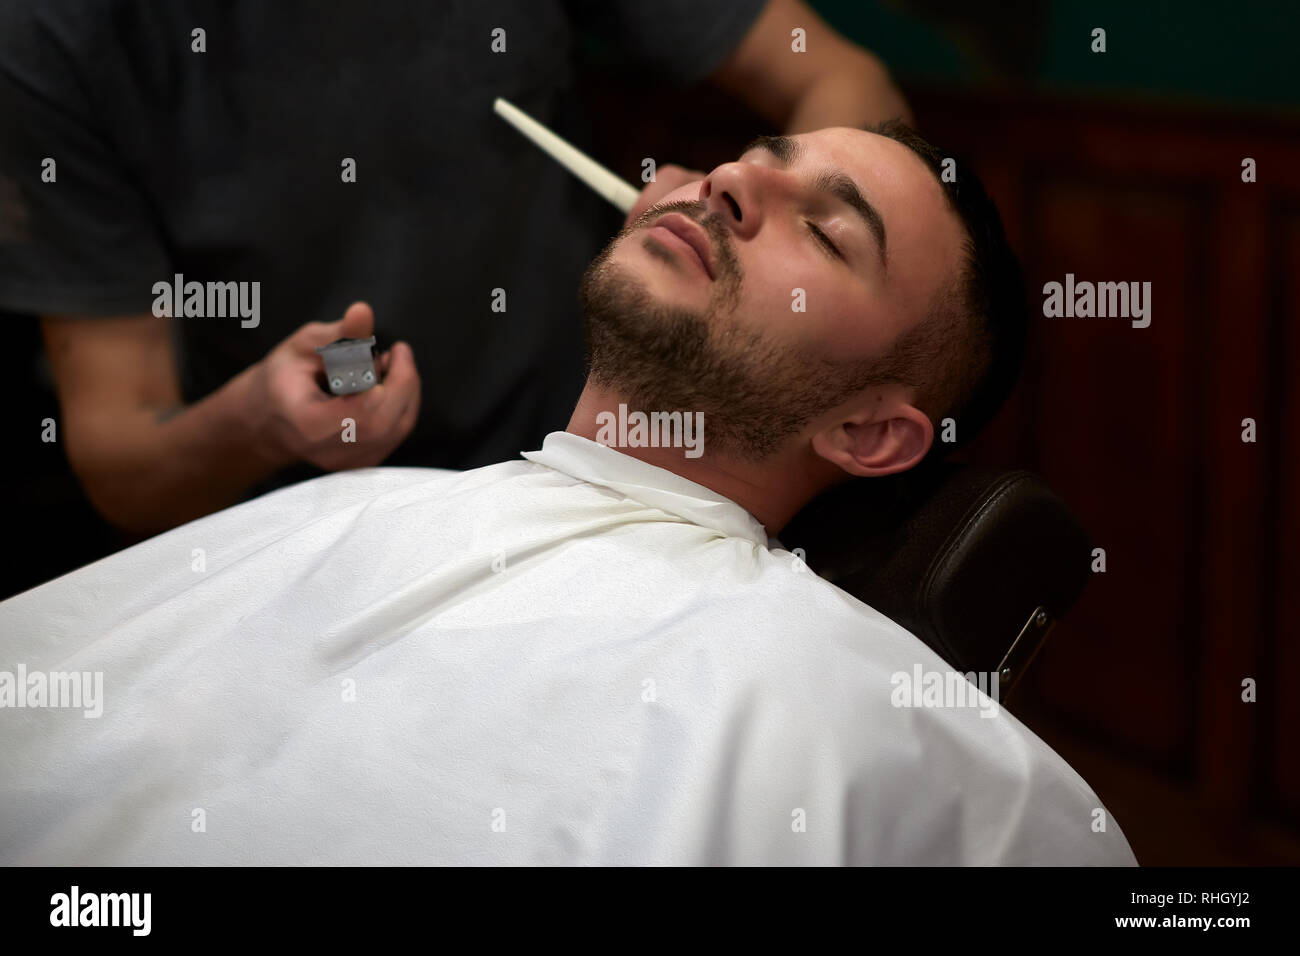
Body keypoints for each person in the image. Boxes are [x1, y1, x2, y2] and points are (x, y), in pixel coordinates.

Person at [0, 122, 1136, 865]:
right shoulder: (345, 509)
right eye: (751, 159)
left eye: (827, 231)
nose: (733, 182)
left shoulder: (850, 712)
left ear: (870, 430)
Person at [0, 0, 911, 600]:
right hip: (299, 559)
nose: (726, 189)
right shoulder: (53, 37)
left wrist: (779, 277)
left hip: (603, 485)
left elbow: (836, 74)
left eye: (829, 232)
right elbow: (122, 451)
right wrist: (258, 423)